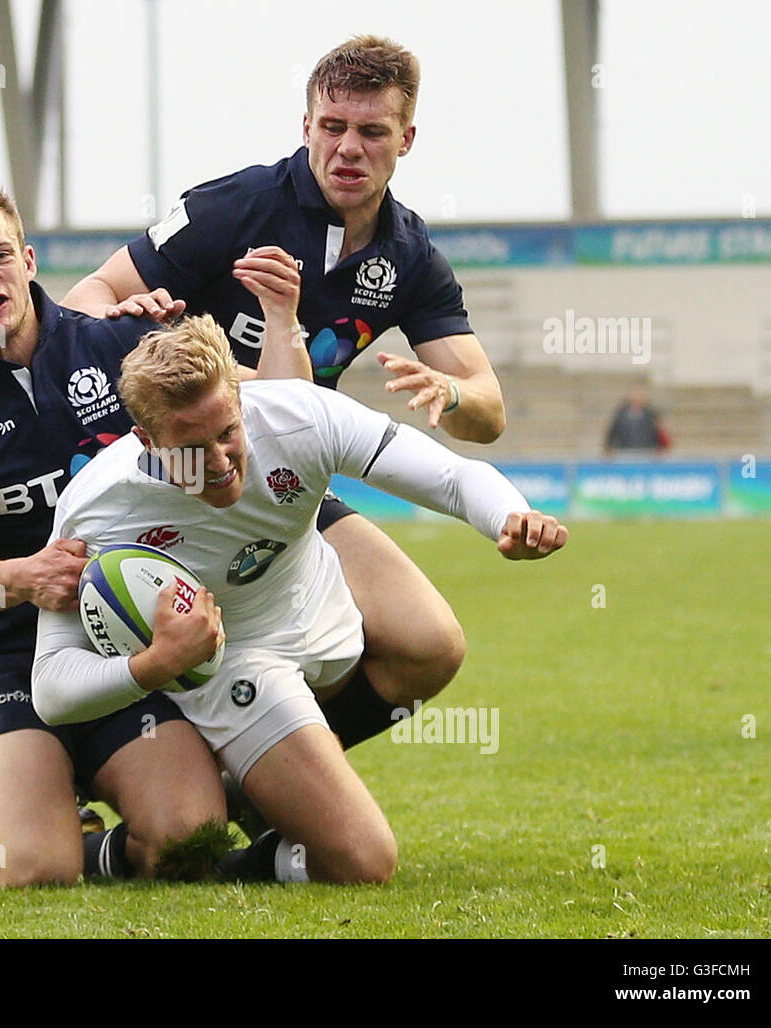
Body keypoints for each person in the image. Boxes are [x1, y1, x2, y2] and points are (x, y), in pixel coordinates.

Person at [63, 35, 505, 752]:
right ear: (306, 128)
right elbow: (87, 297)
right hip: (176, 475)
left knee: (430, 644)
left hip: (287, 482)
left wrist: (451, 392)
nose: (348, 149)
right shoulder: (235, 208)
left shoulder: (411, 257)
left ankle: (265, 790)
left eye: (371, 132)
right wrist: (133, 324)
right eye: (332, 128)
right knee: (168, 659)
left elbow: (489, 414)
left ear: (407, 139)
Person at [32, 315, 567, 883]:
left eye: (227, 433)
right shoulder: (99, 509)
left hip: (322, 606)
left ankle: (260, 781)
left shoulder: (298, 415)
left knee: (433, 643)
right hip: (236, 665)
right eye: (191, 449)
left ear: (241, 399)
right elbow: (52, 684)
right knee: (364, 862)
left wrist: (509, 518)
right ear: (145, 439)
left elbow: (453, 477)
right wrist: (154, 665)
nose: (218, 462)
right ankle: (235, 850)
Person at [0, 179, 225, 887]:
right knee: (33, 870)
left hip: (124, 650)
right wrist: (27, 575)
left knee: (187, 840)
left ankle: (69, 817)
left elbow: (235, 434)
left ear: (27, 259)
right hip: (13, 664)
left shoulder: (123, 344)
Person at [604, 387, 670, 456]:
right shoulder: (620, 415)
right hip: (625, 451)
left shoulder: (651, 414)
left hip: (647, 451)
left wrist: (660, 448)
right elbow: (612, 431)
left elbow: (658, 432)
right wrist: (608, 447)